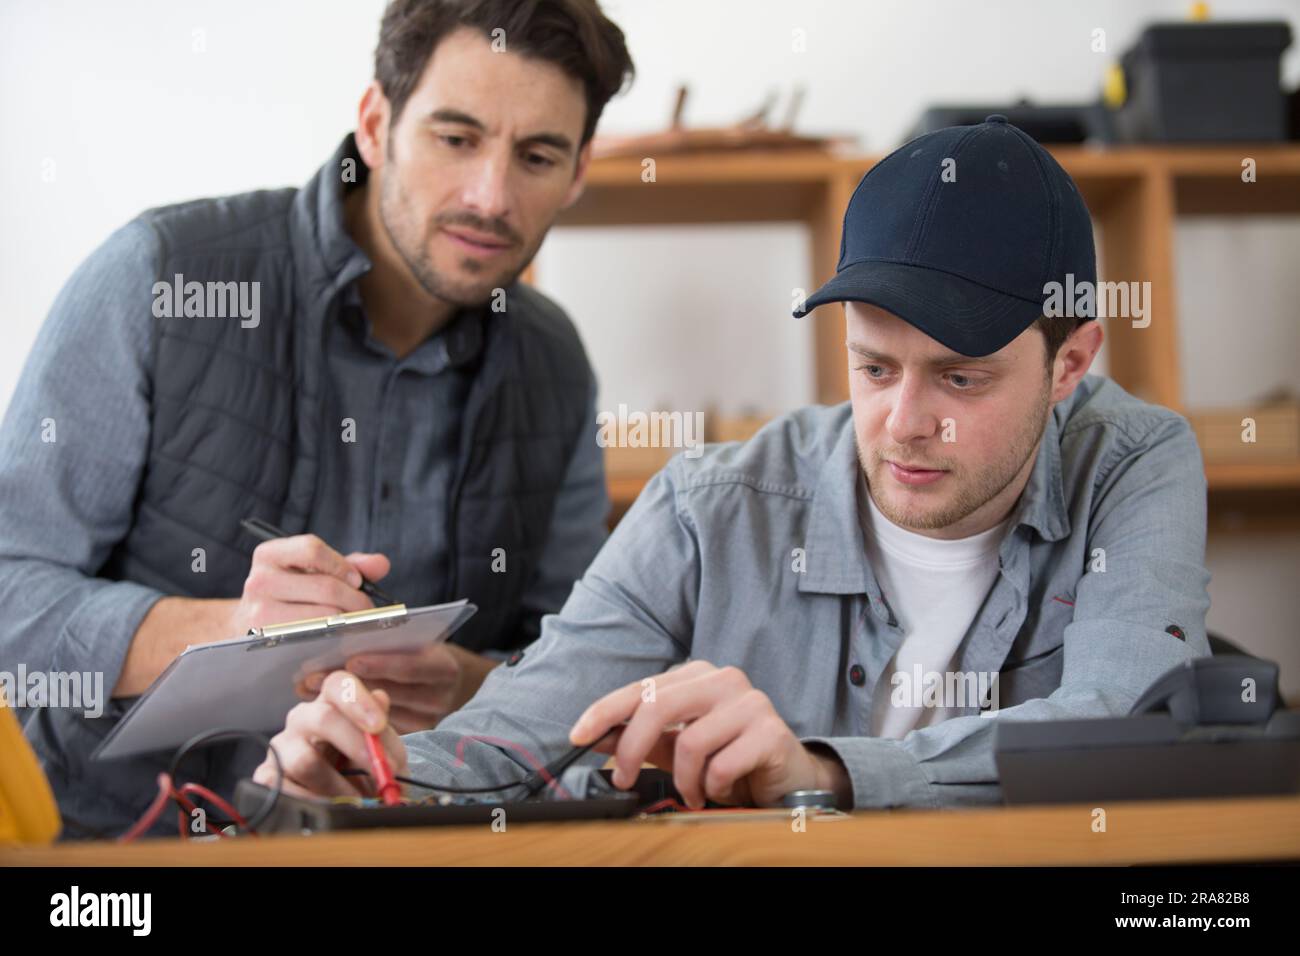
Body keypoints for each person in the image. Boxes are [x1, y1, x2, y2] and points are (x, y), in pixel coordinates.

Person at [258, 115, 1212, 811]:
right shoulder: (706, 507)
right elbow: (521, 734)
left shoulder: (1136, 463)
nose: (904, 423)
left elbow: (1132, 727)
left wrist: (825, 773)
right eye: (874, 368)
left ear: (1071, 364)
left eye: (962, 380)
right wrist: (377, 767)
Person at [0, 0, 634, 835]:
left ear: (580, 171)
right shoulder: (158, 278)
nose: (491, 196)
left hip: (400, 850)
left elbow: (576, 664)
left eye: (538, 155)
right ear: (375, 124)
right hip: (121, 854)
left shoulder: (553, 362)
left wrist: (472, 683)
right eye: (456, 138)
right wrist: (228, 631)